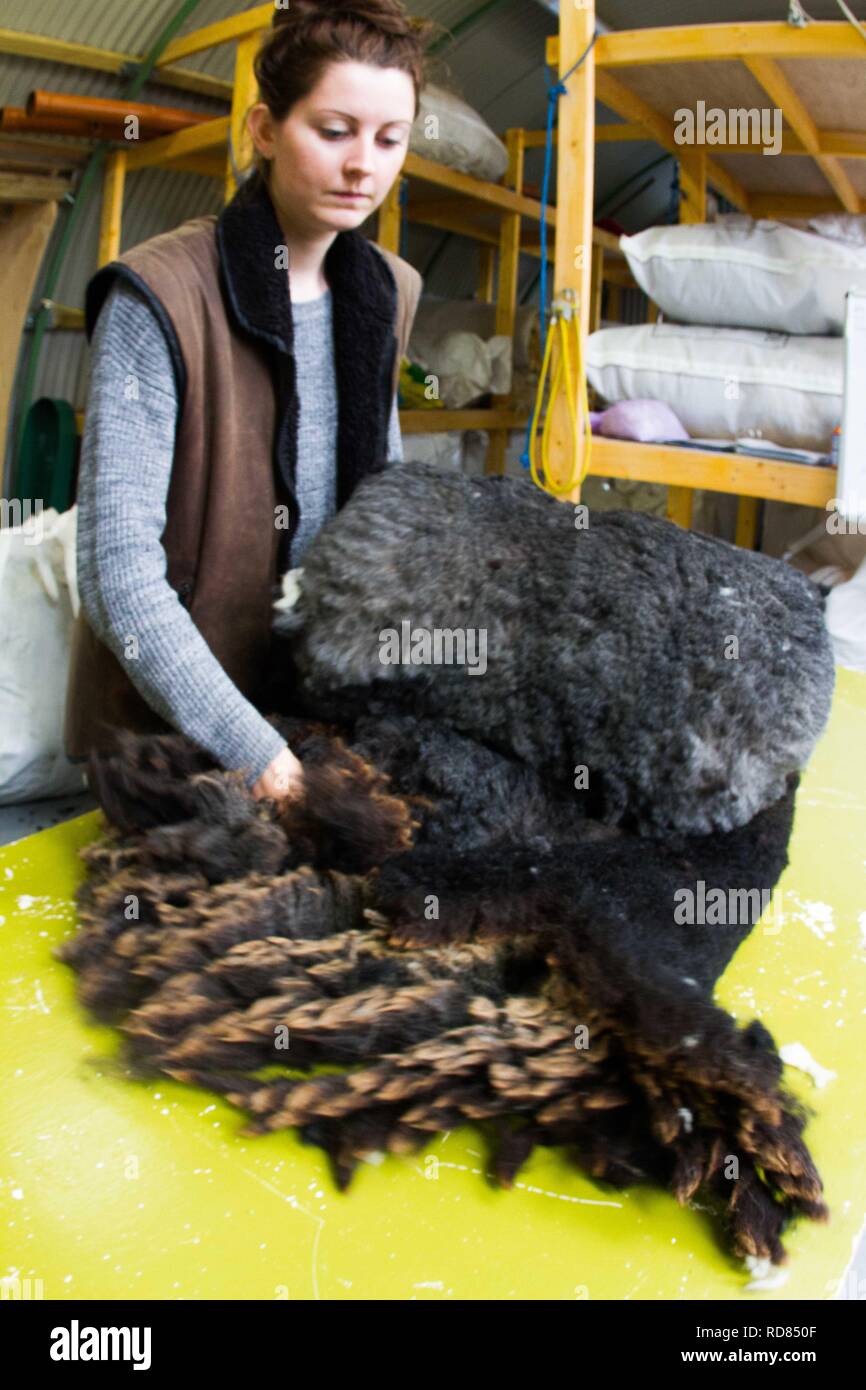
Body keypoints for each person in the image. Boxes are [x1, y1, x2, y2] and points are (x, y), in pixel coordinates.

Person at [63, 0, 430, 803]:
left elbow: (388, 524)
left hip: (319, 715)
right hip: (173, 742)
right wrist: (261, 759)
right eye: (333, 131)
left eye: (389, 139)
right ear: (265, 130)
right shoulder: (161, 293)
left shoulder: (385, 292)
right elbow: (115, 574)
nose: (363, 165)